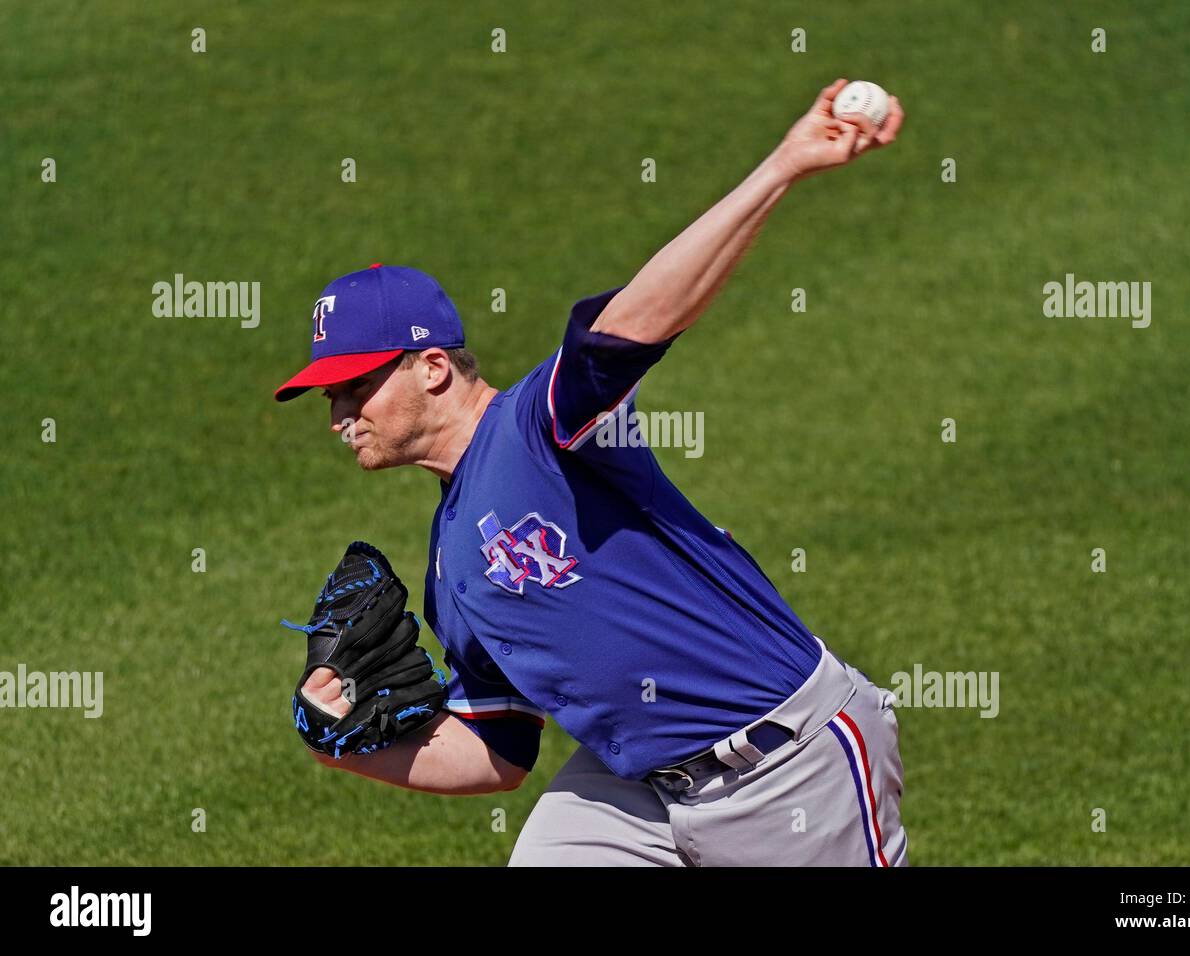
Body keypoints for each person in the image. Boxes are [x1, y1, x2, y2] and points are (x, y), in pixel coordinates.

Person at [275, 79, 908, 866]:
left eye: (356, 386)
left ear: (433, 367)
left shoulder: (540, 425)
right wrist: (342, 747)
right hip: (639, 792)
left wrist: (783, 165)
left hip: (789, 761)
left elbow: (635, 325)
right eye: (328, 395)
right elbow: (494, 752)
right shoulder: (448, 569)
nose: (339, 414)